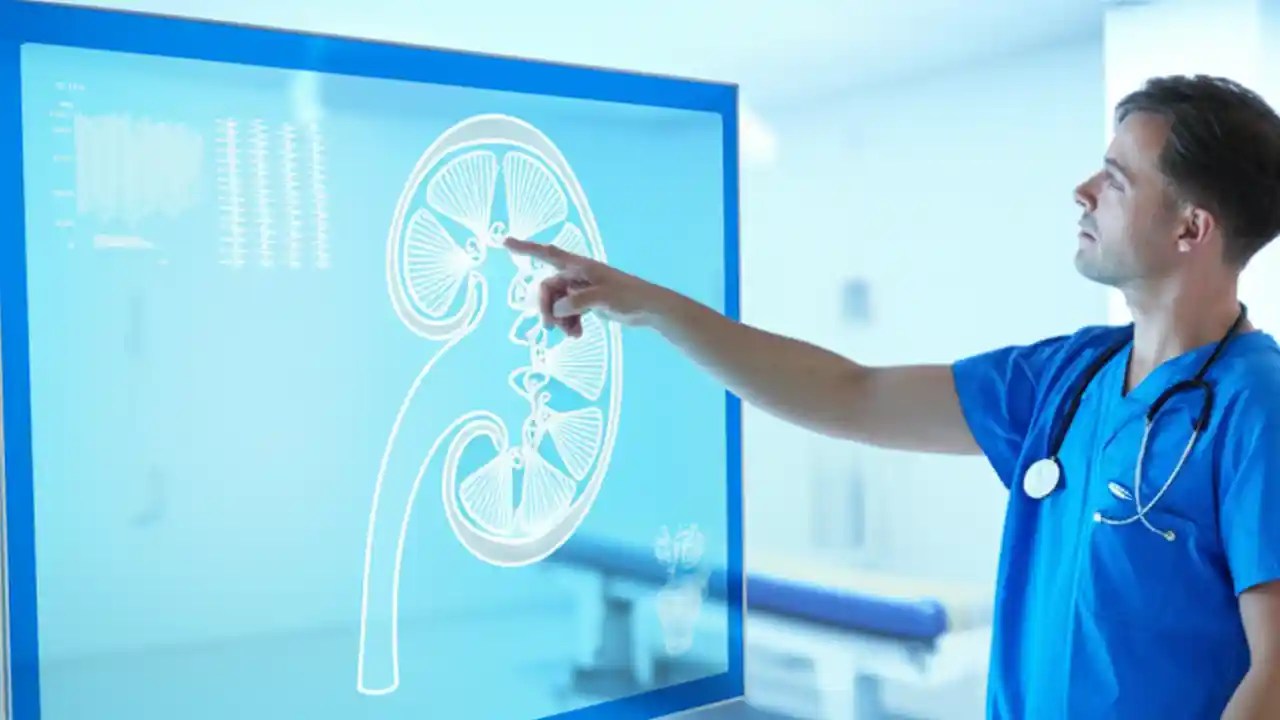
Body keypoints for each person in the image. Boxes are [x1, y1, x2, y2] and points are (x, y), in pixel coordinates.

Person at [507, 73, 1280, 719]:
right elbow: (852, 394)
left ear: (1191, 229)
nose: (1082, 192)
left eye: (1114, 180)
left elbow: (1273, 677)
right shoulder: (1069, 378)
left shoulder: (1256, 406)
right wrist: (652, 307)